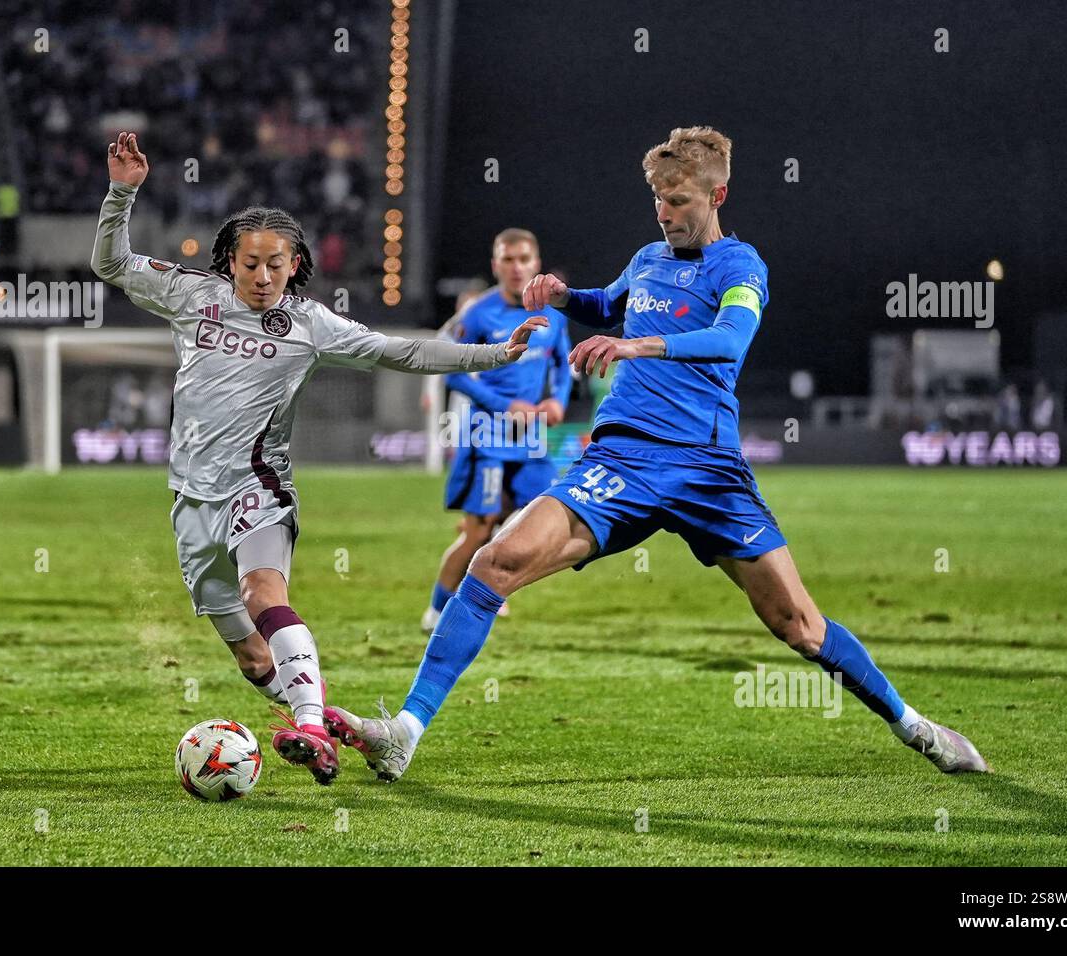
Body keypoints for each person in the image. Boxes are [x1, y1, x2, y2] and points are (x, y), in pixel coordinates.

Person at [324, 126, 991, 781]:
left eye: (679, 201)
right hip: (621, 460)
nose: (666, 214)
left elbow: (730, 339)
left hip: (708, 471)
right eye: (658, 200)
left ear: (717, 194)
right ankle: (403, 734)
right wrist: (564, 297)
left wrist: (634, 347)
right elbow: (608, 303)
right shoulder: (647, 260)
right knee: (494, 559)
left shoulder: (740, 267)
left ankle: (917, 728)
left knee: (798, 625)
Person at [92, 131, 545, 785]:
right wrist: (121, 193)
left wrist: (497, 354)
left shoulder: (309, 323)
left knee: (263, 591)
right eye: (250, 263)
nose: (263, 275)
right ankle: (329, 721)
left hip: (259, 482)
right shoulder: (193, 296)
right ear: (230, 261)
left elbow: (404, 351)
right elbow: (112, 264)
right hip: (191, 497)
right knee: (251, 659)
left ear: (296, 264)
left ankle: (307, 729)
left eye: (276, 263)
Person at [422, 229, 572, 632]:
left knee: (550, 515)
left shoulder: (554, 315)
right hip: (486, 437)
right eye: (507, 259)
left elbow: (561, 364)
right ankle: (437, 611)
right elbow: (453, 375)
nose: (516, 267)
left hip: (530, 439)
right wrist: (508, 405)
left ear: (536, 264)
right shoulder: (477, 314)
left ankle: (489, 591)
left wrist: (557, 399)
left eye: (524, 259)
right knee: (478, 531)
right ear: (495, 265)